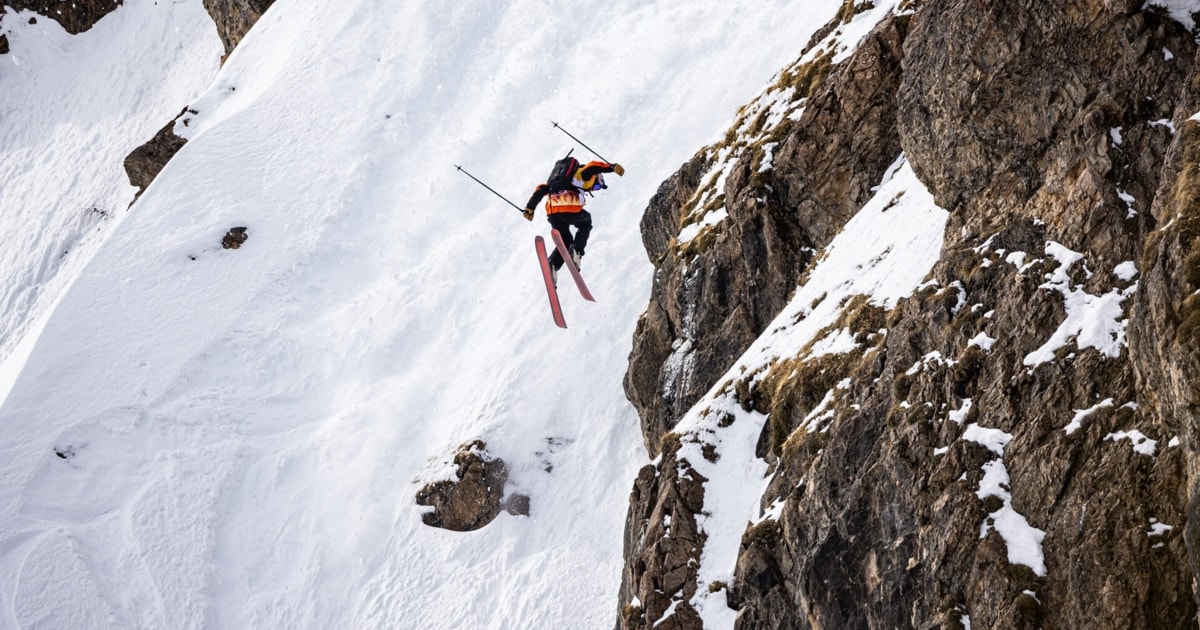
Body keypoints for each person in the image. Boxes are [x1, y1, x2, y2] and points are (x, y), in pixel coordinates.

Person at [523, 158, 624, 282]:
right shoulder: (584, 175)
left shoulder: (559, 179)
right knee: (586, 222)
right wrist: (611, 167)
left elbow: (542, 189)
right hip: (568, 206)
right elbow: (592, 167)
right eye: (597, 186)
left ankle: (552, 264)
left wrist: (530, 208)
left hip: (553, 213)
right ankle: (577, 249)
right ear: (597, 178)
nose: (593, 189)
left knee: (565, 242)